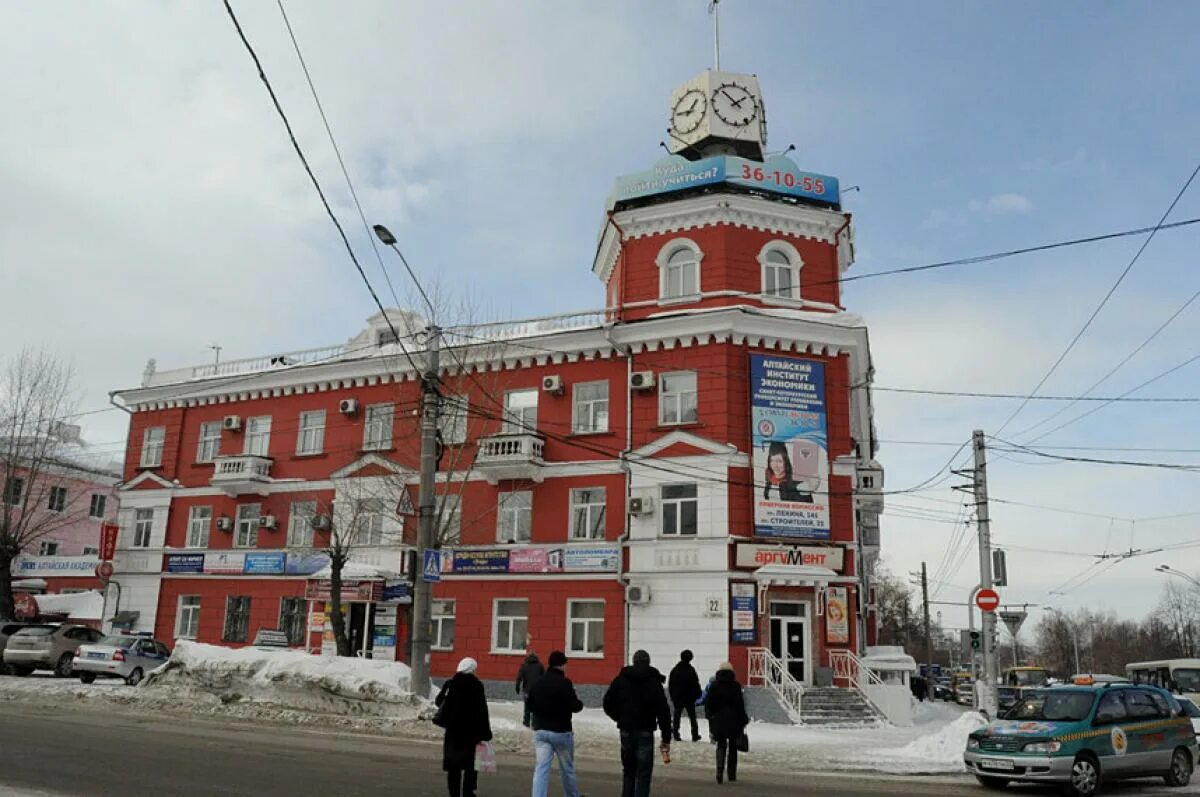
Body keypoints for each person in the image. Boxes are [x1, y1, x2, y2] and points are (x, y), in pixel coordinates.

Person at [603, 649, 672, 797]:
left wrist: (619, 718)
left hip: (626, 730)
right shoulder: (654, 682)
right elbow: (663, 711)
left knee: (628, 771)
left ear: (633, 662)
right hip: (645, 730)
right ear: (648, 662)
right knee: (644, 773)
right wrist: (666, 737)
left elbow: (607, 702)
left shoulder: (621, 679)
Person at [526, 650, 584, 797]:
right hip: (561, 731)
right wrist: (579, 702)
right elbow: (575, 706)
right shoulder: (565, 683)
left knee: (541, 768)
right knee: (567, 769)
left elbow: (530, 705)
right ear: (562, 665)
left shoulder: (538, 682)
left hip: (541, 732)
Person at [435, 657, 493, 797]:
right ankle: (468, 792)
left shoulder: (451, 683)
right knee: (471, 765)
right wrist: (486, 732)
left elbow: (439, 702)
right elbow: (482, 710)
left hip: (453, 732)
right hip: (472, 733)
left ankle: (454, 793)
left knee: (453, 766)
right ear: (472, 669)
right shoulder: (477, 685)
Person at [703, 662, 749, 784]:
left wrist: (710, 716)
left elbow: (709, 704)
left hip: (719, 720)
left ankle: (719, 771)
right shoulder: (736, 686)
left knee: (721, 745)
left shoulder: (714, 686)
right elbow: (740, 705)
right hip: (734, 720)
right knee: (733, 747)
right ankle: (731, 774)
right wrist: (744, 719)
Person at [667, 650, 702, 742]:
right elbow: (696, 684)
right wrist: (697, 695)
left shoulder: (675, 670)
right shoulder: (691, 670)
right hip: (689, 698)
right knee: (692, 717)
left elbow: (671, 684)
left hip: (678, 698)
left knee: (677, 716)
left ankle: (675, 733)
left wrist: (673, 696)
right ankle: (695, 735)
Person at [515, 650, 546, 728]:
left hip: (527, 691)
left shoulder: (524, 665)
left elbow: (519, 678)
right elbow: (544, 678)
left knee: (527, 707)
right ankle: (535, 724)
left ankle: (526, 723)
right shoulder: (540, 665)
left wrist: (517, 687)